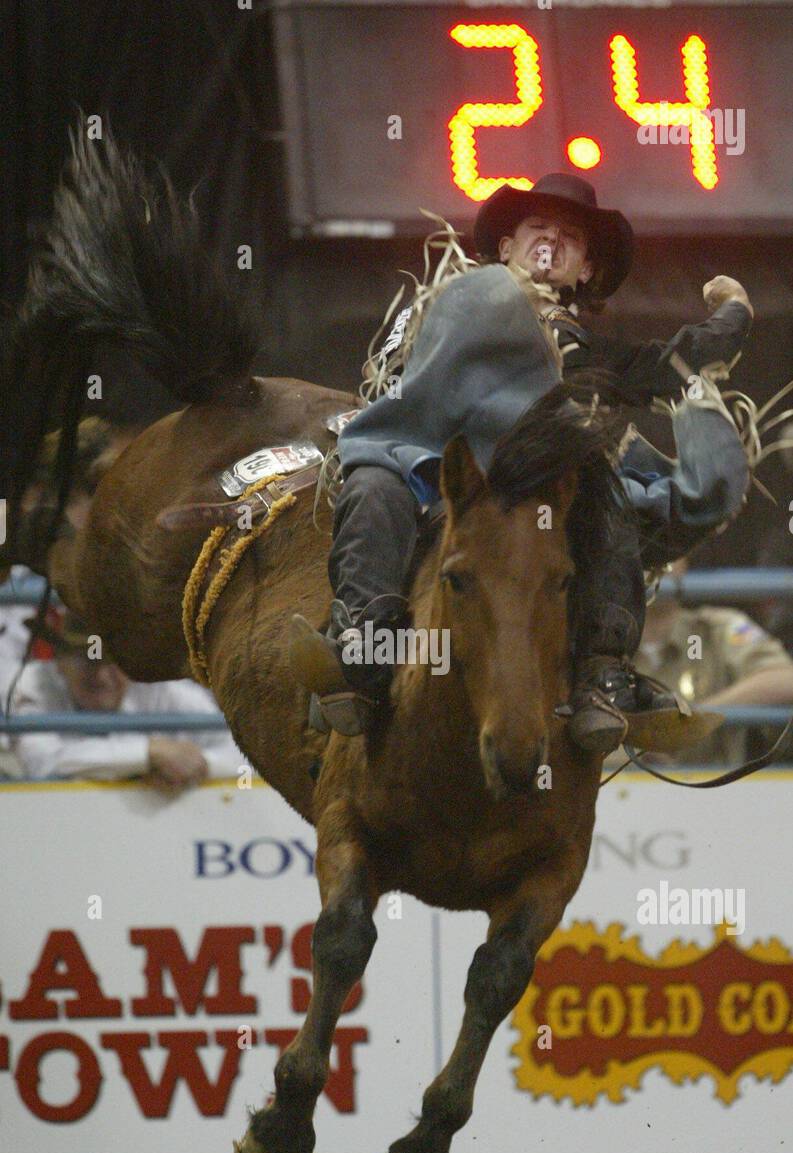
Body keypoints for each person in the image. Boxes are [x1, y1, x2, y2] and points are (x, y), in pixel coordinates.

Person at [289, 173, 754, 750]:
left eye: (570, 237)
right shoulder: (440, 309)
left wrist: (733, 312)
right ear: (504, 248)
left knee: (604, 500)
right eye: (538, 228)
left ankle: (601, 673)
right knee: (372, 487)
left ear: (585, 270)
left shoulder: (594, 354)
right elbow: (397, 397)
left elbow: (679, 364)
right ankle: (364, 647)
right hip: (434, 475)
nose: (551, 243)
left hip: (546, 498)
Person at [10, 610, 243, 789]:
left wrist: (199, 764)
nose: (101, 676)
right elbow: (41, 763)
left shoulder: (159, 688)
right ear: (59, 661)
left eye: (113, 661)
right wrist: (146, 755)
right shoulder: (33, 686)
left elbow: (243, 759)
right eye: (88, 661)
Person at [636, 569, 793, 766]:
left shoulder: (714, 627)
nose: (653, 565)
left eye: (667, 551)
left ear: (685, 561)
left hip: (711, 786)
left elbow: (785, 678)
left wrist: (693, 722)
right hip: (611, 786)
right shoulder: (599, 640)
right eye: (641, 552)